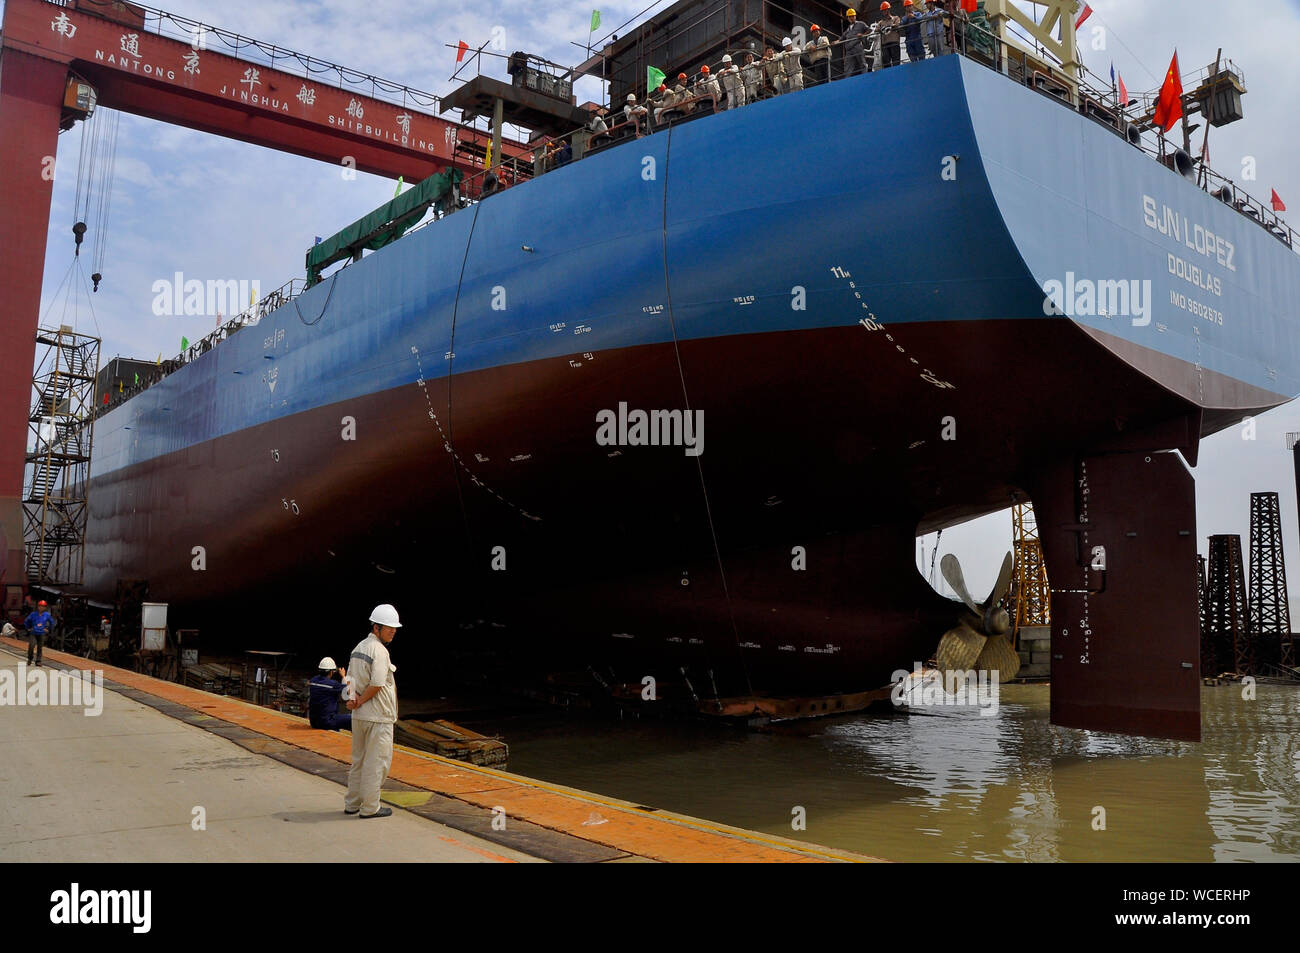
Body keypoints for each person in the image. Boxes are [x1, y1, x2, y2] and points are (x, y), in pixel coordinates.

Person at [343, 604, 402, 818]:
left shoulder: (358, 648)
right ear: (376, 628)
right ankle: (370, 807)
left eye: (395, 629)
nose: (393, 632)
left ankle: (352, 803)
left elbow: (349, 679)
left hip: (360, 717)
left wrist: (352, 700)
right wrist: (358, 702)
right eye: (389, 629)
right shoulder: (380, 651)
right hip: (378, 717)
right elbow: (377, 683)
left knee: (359, 759)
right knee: (377, 763)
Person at [309, 657, 352, 731]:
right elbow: (349, 691)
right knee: (352, 719)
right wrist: (343, 676)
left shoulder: (313, 681)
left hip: (313, 722)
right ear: (332, 672)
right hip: (327, 722)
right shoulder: (332, 685)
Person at [24, 599, 53, 666]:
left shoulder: (47, 615)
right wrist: (28, 628)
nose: (41, 607)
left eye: (43, 606)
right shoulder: (33, 614)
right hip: (33, 632)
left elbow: (52, 622)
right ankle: (30, 658)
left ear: (45, 607)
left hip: (41, 633)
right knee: (31, 645)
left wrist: (48, 629)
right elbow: (26, 621)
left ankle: (38, 661)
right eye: (40, 606)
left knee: (40, 647)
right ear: (38, 607)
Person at [843, 8, 870, 76]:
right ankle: (847, 81)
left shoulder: (860, 24)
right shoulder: (848, 29)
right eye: (850, 17)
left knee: (862, 63)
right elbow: (842, 37)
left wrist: (863, 35)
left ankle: (865, 76)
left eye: (852, 16)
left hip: (857, 46)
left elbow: (869, 30)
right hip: (849, 50)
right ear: (848, 18)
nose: (851, 18)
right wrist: (836, 41)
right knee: (848, 66)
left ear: (855, 16)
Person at [878, 2, 902, 67]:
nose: (884, 11)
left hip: (894, 42)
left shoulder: (895, 18)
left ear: (889, 10)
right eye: (883, 10)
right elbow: (876, 30)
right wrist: (879, 30)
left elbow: (897, 25)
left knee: (896, 62)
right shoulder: (880, 22)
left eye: (885, 10)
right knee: (886, 63)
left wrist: (891, 26)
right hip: (885, 44)